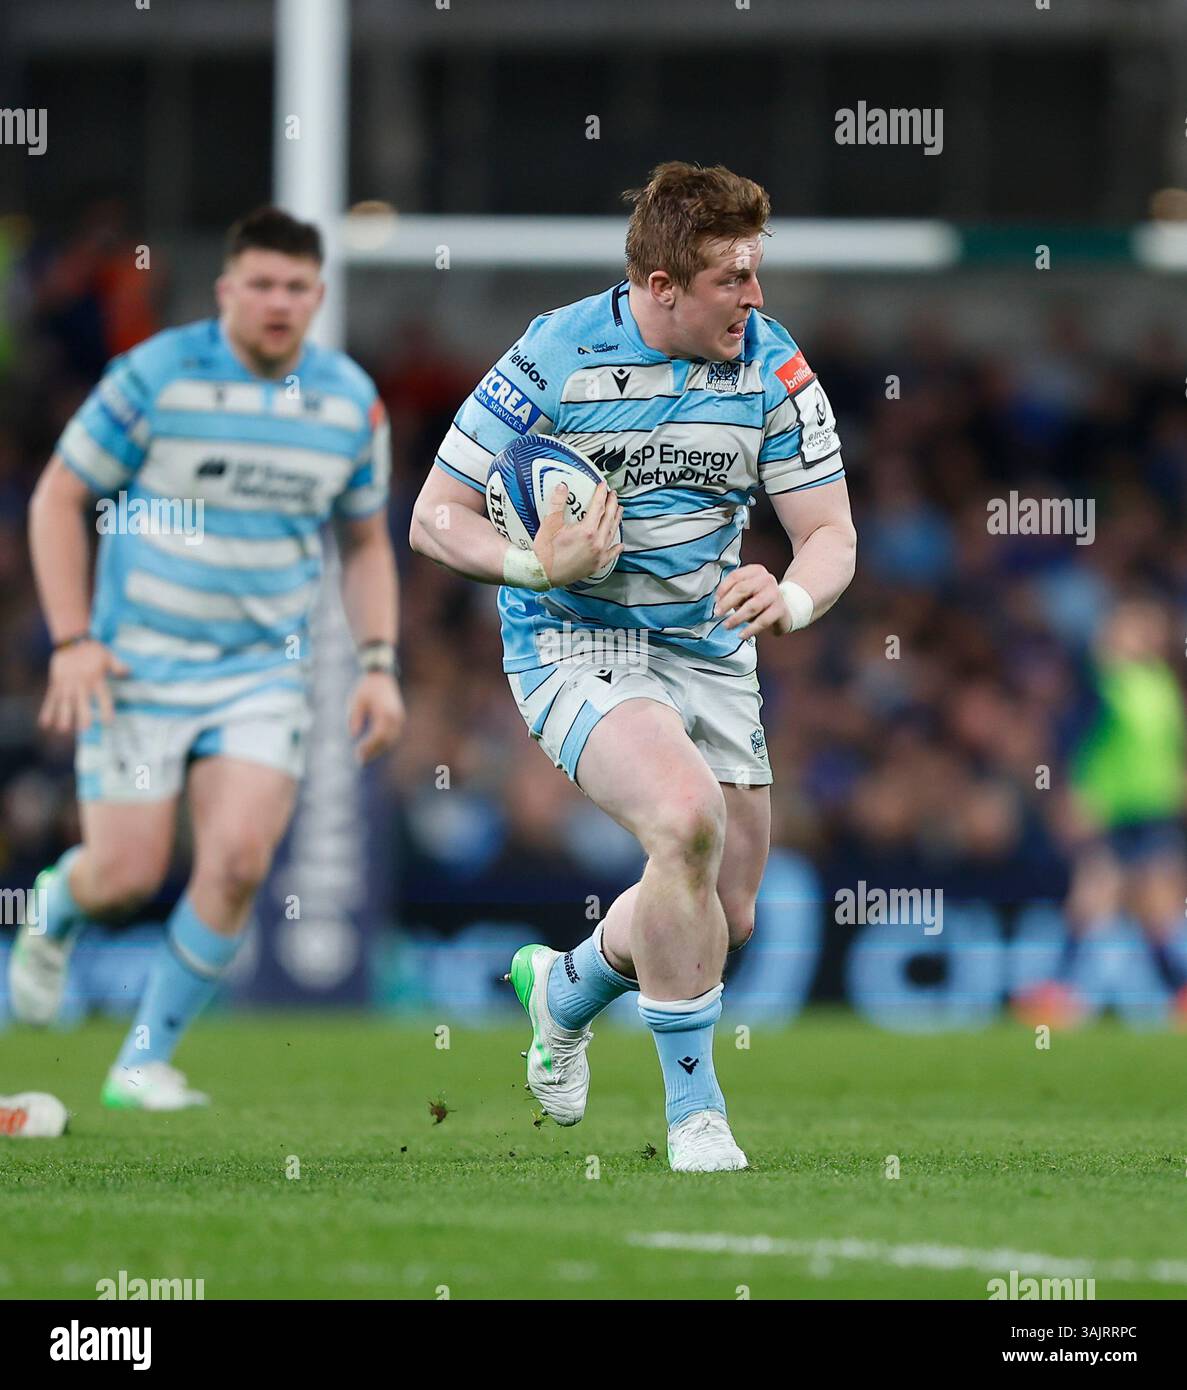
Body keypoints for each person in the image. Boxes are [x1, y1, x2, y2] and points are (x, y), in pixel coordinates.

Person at [411, 163, 856, 1171]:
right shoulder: (554, 353)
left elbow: (829, 533)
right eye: (729, 279)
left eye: (754, 272)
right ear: (660, 286)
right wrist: (532, 561)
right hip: (575, 638)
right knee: (683, 821)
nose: (754, 297)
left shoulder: (772, 368)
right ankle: (695, 1113)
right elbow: (433, 515)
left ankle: (563, 987)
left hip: (706, 649)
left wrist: (787, 596)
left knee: (724, 910)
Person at [9, 207, 404, 1109]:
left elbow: (367, 543)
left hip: (263, 671)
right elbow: (58, 498)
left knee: (235, 862)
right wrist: (72, 641)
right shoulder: (155, 375)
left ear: (318, 295)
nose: (278, 302)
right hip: (138, 664)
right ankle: (59, 907)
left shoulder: (347, 401)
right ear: (227, 290)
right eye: (260, 284)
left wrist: (378, 661)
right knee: (127, 875)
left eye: (295, 287)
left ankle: (142, 1060)